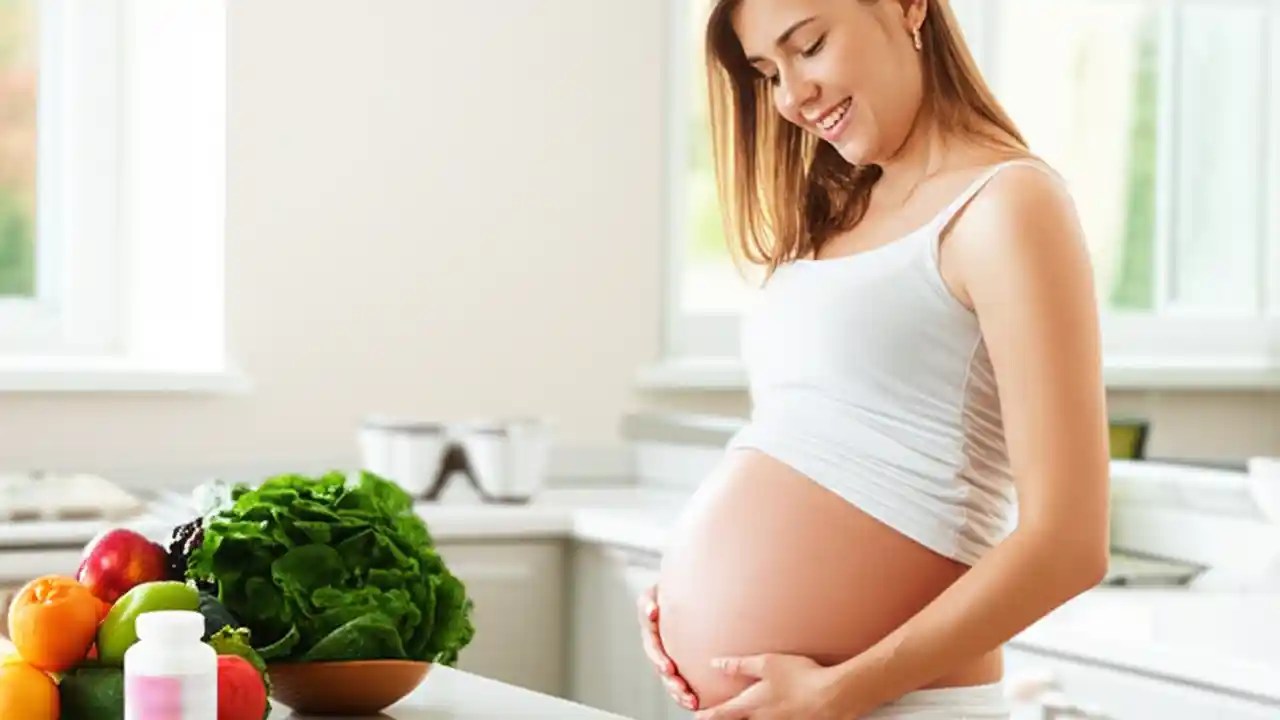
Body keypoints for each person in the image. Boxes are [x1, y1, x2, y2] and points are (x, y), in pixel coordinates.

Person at [637, 0, 1112, 718]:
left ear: (907, 6)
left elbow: (1070, 543)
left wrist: (841, 690)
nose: (793, 97)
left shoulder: (1007, 203)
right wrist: (683, 607)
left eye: (811, 45)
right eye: (768, 72)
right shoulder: (835, 212)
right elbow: (807, 441)